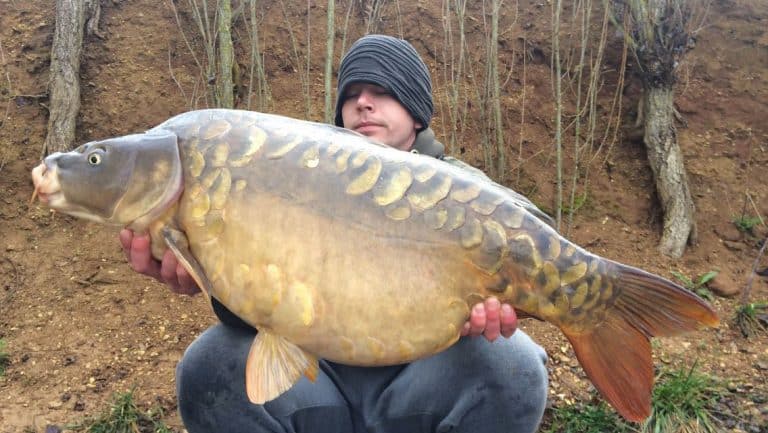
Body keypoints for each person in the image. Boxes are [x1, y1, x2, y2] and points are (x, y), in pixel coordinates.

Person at [120, 35, 548, 433]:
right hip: (313, 380)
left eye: (381, 91)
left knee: (515, 364)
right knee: (210, 364)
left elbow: (539, 249)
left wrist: (495, 309)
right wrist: (205, 276)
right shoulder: (294, 180)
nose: (363, 103)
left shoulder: (462, 191)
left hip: (423, 378)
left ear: (416, 111)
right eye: (351, 94)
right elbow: (256, 307)